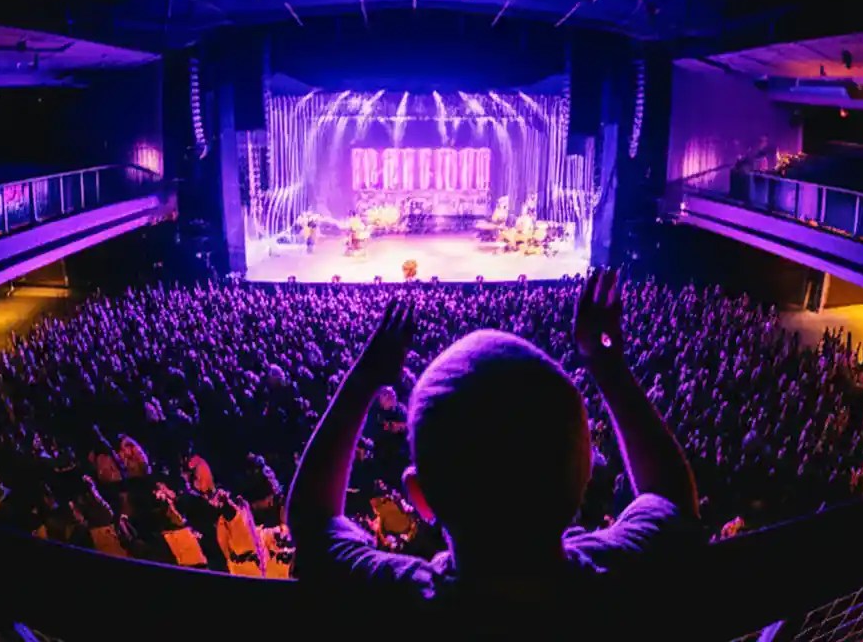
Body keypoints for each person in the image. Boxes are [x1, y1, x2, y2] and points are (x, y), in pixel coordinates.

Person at [286, 269, 701, 638]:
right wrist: (609, 367)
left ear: (420, 497)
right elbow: (671, 497)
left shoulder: (398, 602)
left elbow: (310, 520)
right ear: (585, 472)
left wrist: (364, 380)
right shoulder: (620, 580)